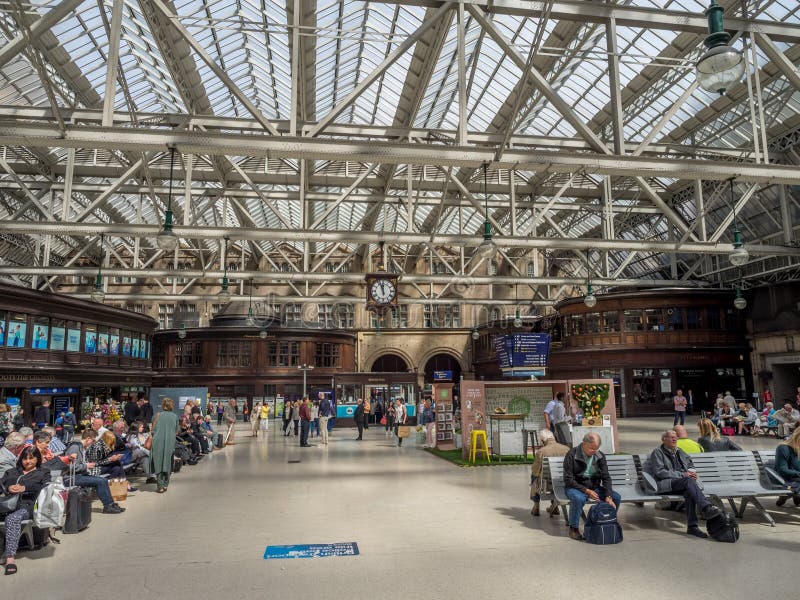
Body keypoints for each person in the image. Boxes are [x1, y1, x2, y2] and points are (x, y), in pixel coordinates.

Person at [647, 430, 721, 538]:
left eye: (675, 437)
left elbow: (690, 463)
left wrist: (692, 472)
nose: (674, 439)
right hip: (666, 484)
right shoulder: (657, 452)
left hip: (683, 483)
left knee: (689, 491)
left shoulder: (679, 451)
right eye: (671, 437)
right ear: (664, 439)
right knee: (688, 482)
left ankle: (692, 527)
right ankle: (706, 508)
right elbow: (660, 472)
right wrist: (683, 475)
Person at [562, 432, 620, 541]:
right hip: (576, 487)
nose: (594, 452)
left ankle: (606, 522)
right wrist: (586, 491)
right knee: (578, 499)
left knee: (616, 498)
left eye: (596, 449)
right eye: (592, 449)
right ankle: (573, 529)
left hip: (594, 486)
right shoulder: (571, 454)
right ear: (584, 444)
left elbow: (606, 477)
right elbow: (568, 480)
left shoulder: (600, 455)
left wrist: (608, 496)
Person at [1, 446, 49, 575]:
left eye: (31, 458)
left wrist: (25, 488)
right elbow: (1, 484)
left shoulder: (43, 472)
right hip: (6, 505)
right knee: (10, 516)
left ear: (37, 459)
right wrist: (8, 488)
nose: (28, 462)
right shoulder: (11, 472)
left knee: (13, 518)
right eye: (25, 458)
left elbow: (45, 486)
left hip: (26, 506)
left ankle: (10, 558)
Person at [63, 430, 125, 514]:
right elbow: (70, 467)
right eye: (93, 440)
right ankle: (108, 506)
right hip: (70, 478)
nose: (93, 443)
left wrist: (86, 466)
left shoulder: (80, 447)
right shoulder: (75, 447)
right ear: (88, 439)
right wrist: (86, 466)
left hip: (79, 475)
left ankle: (110, 504)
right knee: (100, 481)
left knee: (103, 480)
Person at [530, 429, 569, 517]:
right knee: (553, 477)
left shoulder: (542, 451)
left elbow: (535, 471)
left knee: (534, 477)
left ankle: (536, 506)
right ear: (553, 438)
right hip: (563, 482)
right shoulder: (566, 449)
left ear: (542, 440)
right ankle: (555, 507)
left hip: (546, 485)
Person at [150, 397, 180, 493]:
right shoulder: (175, 417)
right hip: (169, 442)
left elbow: (152, 430)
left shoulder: (157, 415)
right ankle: (166, 484)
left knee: (158, 462)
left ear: (163, 405)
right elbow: (177, 431)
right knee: (167, 463)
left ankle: (160, 486)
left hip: (157, 442)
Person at [774, 426, 800, 507]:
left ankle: (793, 495)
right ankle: (790, 494)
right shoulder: (783, 448)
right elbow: (782, 470)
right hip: (785, 478)